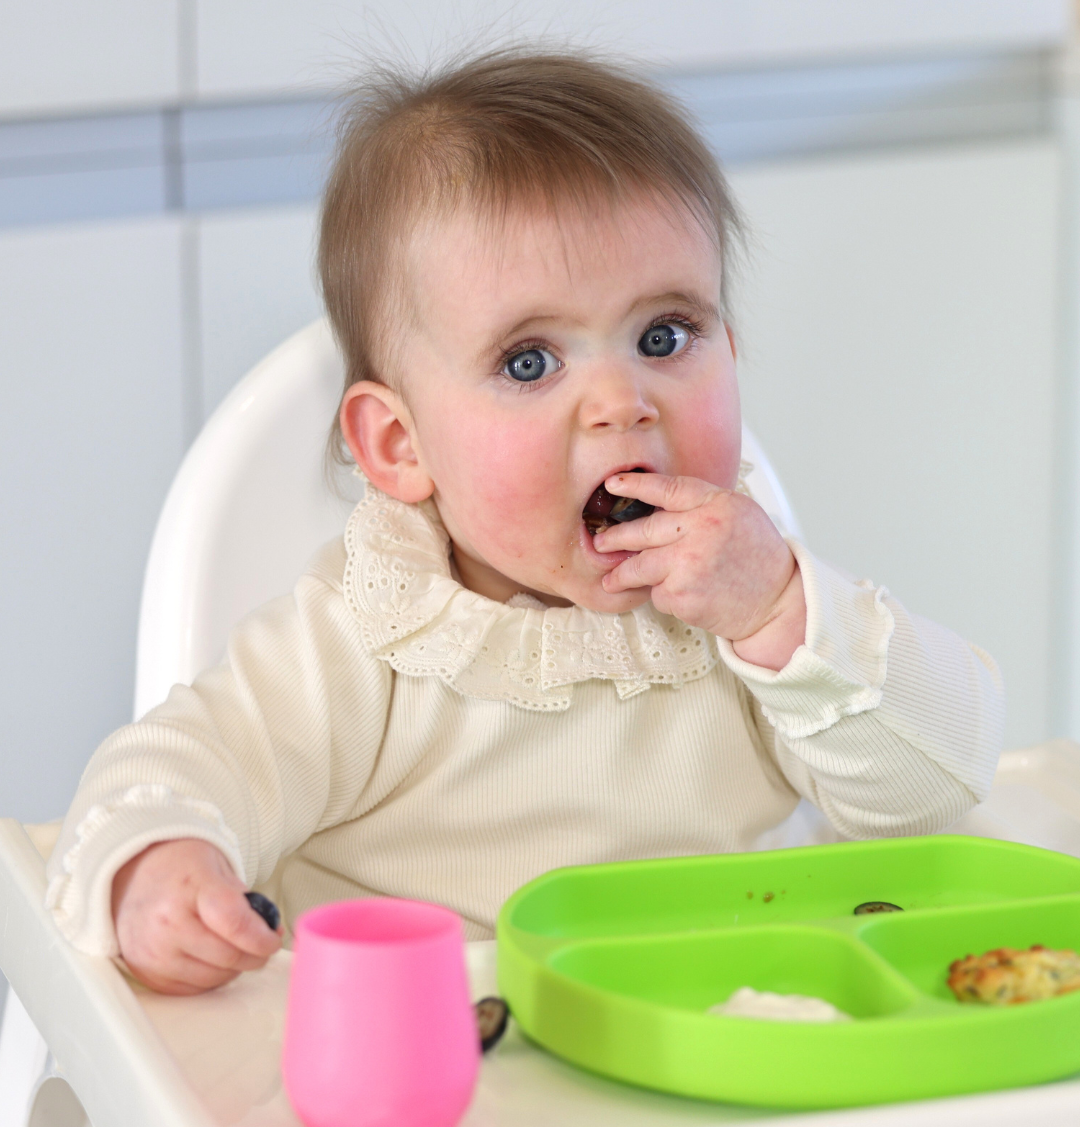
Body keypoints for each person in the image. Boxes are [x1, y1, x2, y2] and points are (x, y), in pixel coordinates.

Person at [45, 48, 1004, 995]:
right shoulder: (367, 641)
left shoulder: (753, 607)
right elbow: (182, 765)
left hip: (730, 1036)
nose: (622, 402)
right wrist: (158, 868)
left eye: (664, 337)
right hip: (452, 1088)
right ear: (401, 446)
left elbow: (937, 786)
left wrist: (780, 614)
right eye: (530, 363)